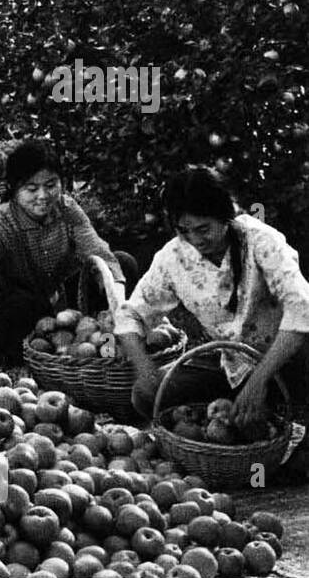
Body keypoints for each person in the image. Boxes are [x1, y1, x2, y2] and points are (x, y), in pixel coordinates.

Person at [116, 166, 309, 430]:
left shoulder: (261, 241)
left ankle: (266, 408)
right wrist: (145, 370)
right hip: (230, 361)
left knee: (268, 429)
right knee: (146, 395)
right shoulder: (174, 257)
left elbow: (302, 308)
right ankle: (230, 409)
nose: (195, 239)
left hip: (285, 357)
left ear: (225, 216)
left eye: (204, 229)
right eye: (184, 230)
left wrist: (258, 381)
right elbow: (130, 314)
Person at [0, 140, 138, 366]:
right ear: (15, 190)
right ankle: (33, 356)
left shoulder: (67, 210)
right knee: (18, 307)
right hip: (23, 303)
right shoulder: (1, 222)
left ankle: (109, 346)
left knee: (123, 263)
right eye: (31, 188)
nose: (43, 195)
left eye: (50, 184)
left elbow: (99, 252)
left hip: (67, 300)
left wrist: (118, 306)